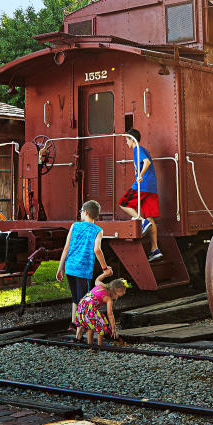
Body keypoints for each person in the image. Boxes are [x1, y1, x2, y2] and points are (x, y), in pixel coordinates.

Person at [56, 199, 109, 329]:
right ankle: (80, 326)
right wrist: (104, 267)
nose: (80, 213)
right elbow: (97, 250)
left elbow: (66, 247)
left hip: (70, 267)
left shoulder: (74, 226)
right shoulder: (98, 230)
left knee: (75, 297)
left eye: (81, 211)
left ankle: (73, 323)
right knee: (83, 299)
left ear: (85, 212)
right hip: (83, 270)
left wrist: (60, 268)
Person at [119, 128, 163, 262]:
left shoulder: (137, 149)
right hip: (151, 187)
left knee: (123, 203)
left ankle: (142, 222)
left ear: (132, 139)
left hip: (143, 185)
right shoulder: (141, 149)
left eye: (126, 139)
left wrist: (140, 175)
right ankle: (154, 249)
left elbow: (147, 162)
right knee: (150, 217)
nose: (126, 142)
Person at [75, 267, 128, 345]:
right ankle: (100, 345)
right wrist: (113, 328)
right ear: (116, 290)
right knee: (102, 326)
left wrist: (105, 274)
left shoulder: (101, 285)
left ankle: (90, 345)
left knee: (91, 326)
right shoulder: (108, 299)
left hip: (81, 307)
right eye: (118, 296)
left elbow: (97, 280)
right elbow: (110, 315)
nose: (117, 298)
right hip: (90, 309)